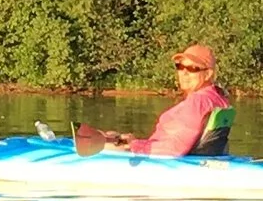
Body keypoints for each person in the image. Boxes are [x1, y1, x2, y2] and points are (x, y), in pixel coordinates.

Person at [74, 46, 229, 158]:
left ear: (208, 74)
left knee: (101, 146)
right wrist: (135, 142)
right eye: (180, 67)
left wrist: (135, 146)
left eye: (193, 68)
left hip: (166, 160)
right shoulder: (218, 97)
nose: (184, 73)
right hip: (180, 156)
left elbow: (174, 149)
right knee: (110, 136)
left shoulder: (198, 101)